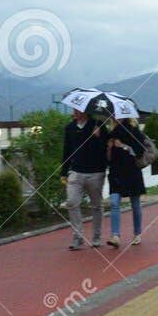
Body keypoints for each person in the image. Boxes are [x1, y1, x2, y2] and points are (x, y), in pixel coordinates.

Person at [61, 104, 110, 249]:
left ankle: (96, 237)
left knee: (96, 206)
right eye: (74, 109)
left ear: (86, 111)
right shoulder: (70, 128)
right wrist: (63, 172)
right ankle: (78, 237)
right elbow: (67, 150)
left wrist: (99, 137)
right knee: (71, 202)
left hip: (96, 172)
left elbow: (106, 148)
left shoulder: (99, 125)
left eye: (78, 109)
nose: (75, 111)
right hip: (76, 172)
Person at [107, 117, 149, 247]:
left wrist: (123, 146)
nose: (116, 117)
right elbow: (108, 159)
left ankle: (137, 234)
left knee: (135, 203)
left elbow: (140, 151)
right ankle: (115, 236)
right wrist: (109, 148)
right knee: (114, 202)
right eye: (114, 115)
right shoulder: (111, 133)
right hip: (115, 173)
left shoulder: (134, 131)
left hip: (132, 172)